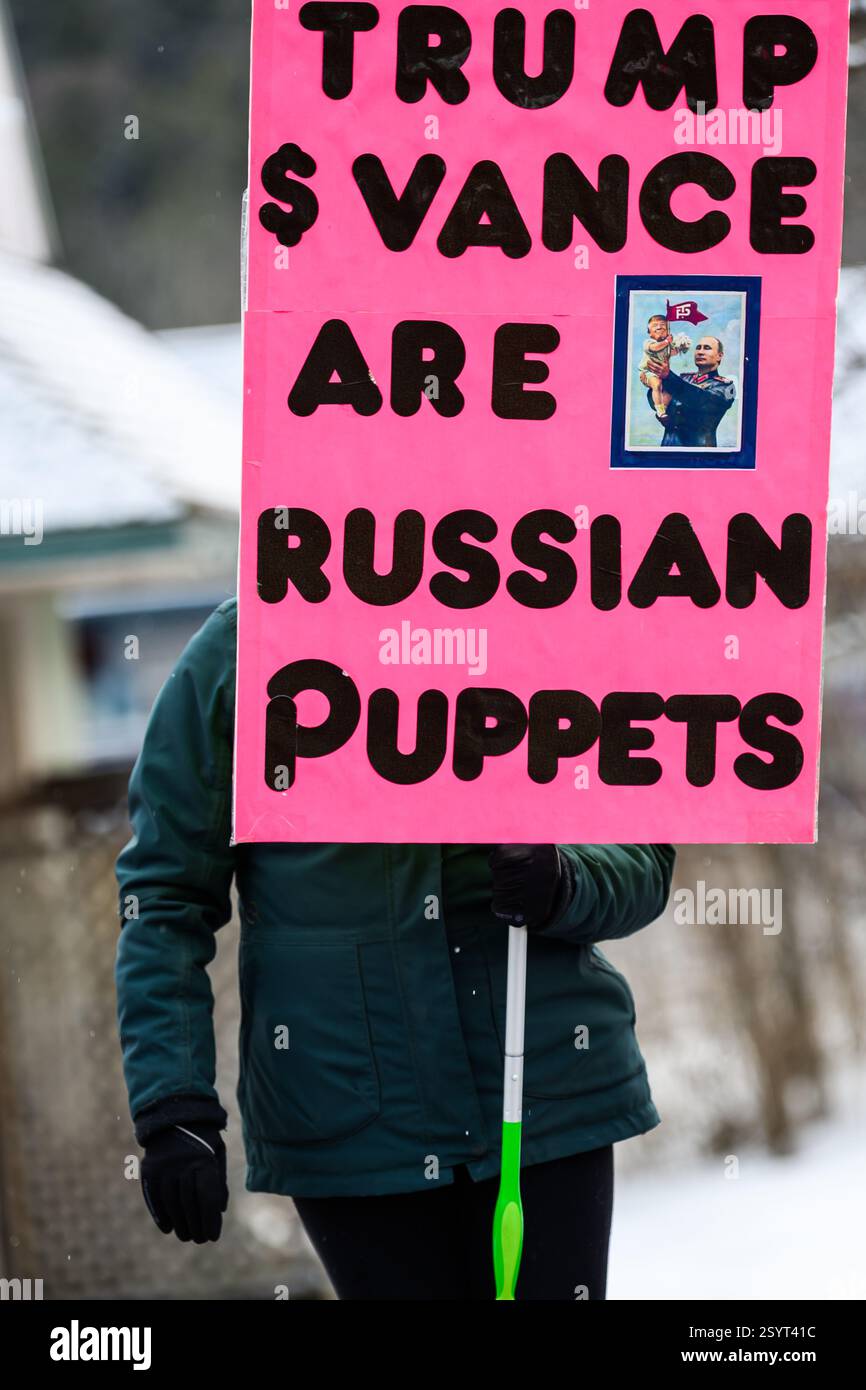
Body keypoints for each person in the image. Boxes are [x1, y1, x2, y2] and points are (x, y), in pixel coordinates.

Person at [114, 598, 676, 1301]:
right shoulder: (246, 646)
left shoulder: (542, 616)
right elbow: (165, 893)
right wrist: (174, 1104)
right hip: (345, 1118)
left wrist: (568, 879)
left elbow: (646, 854)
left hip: (547, 1096)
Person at [644, 334, 736, 448]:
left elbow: (700, 400)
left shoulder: (726, 387)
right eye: (698, 348)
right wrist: (655, 383)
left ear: (719, 356)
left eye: (707, 348)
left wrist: (668, 377)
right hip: (669, 446)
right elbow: (659, 404)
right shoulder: (684, 379)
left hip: (699, 452)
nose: (700, 352)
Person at [638, 313, 690, 420]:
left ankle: (663, 411)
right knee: (656, 385)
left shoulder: (667, 346)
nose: (659, 327)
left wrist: (681, 346)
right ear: (650, 333)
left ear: (667, 331)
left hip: (661, 373)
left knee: (668, 391)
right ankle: (660, 411)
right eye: (655, 326)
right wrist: (667, 341)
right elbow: (655, 348)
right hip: (648, 371)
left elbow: (674, 352)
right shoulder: (649, 342)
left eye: (662, 325)